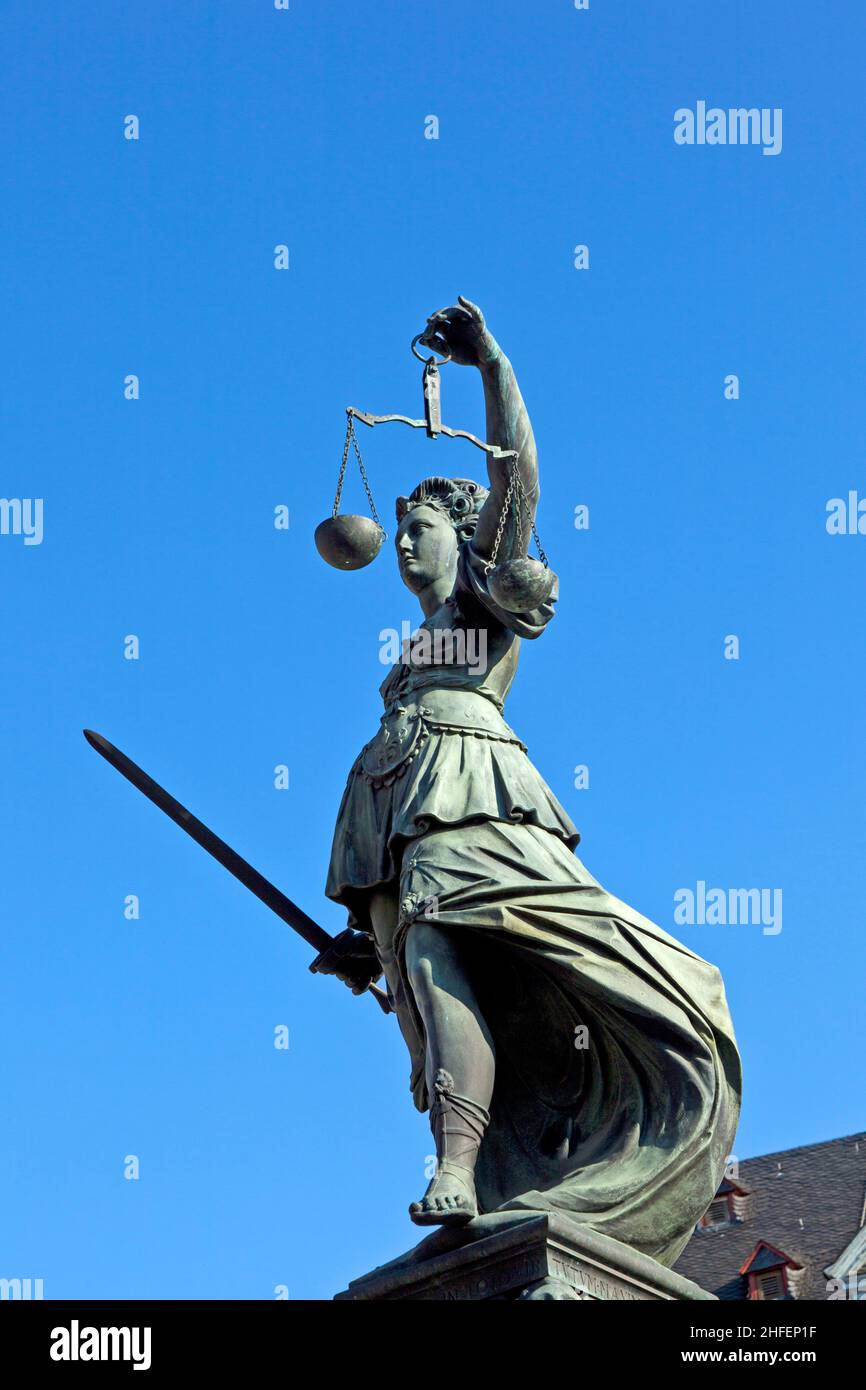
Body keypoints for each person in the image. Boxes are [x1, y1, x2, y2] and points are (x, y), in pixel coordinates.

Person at [312, 298, 741, 1266]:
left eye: (417, 525)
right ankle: (468, 1160)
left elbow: (519, 483)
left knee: (431, 961)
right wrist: (356, 939)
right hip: (397, 812)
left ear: (459, 539)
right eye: (400, 525)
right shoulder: (410, 652)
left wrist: (490, 368)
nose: (403, 540)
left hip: (472, 793)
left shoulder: (485, 593)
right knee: (418, 993)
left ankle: (455, 1167)